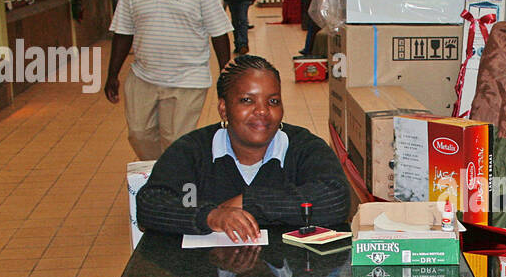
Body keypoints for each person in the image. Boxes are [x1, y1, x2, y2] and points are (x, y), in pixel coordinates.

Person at [135, 55, 350, 241]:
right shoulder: (192, 150)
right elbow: (149, 203)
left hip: (285, 276)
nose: (263, 111)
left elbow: (336, 198)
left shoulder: (304, 147)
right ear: (223, 109)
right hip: (209, 274)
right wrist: (211, 216)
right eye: (247, 100)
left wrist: (250, 203)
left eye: (273, 101)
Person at [104, 0, 233, 160]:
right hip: (143, 76)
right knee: (138, 134)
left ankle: (170, 183)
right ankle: (162, 176)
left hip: (187, 79)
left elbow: (219, 33)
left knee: (175, 141)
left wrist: (227, 78)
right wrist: (112, 74)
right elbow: (123, 32)